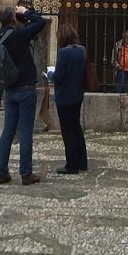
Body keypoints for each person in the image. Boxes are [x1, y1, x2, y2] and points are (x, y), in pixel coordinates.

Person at [0, 0, 49, 185]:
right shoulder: (18, 35)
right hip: (25, 89)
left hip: (9, 89)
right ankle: (26, 173)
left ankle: (1, 172)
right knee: (25, 131)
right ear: (13, 19)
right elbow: (41, 23)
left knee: (7, 132)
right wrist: (26, 12)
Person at [53, 25, 88, 175]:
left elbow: (58, 76)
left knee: (67, 131)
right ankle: (82, 161)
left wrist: (50, 75)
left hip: (64, 96)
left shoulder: (63, 53)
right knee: (76, 128)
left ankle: (71, 165)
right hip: (77, 94)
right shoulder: (82, 50)